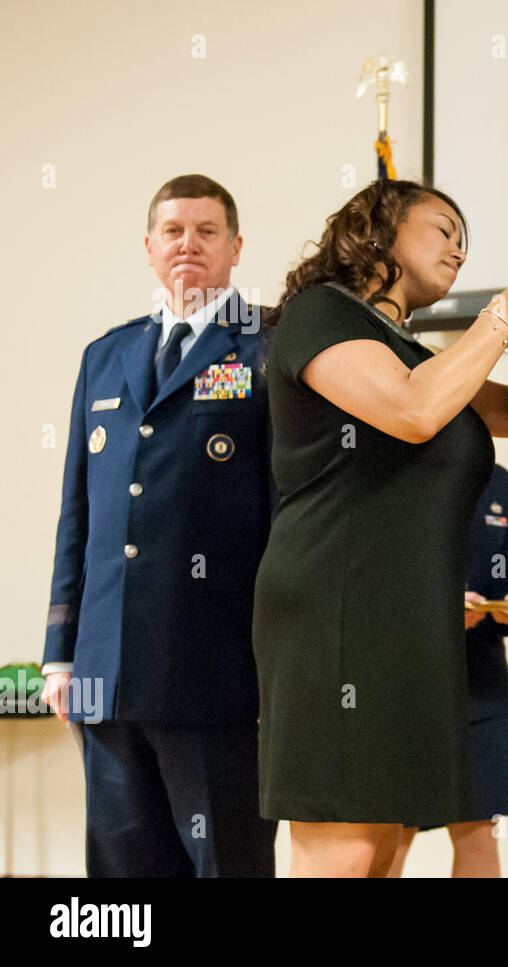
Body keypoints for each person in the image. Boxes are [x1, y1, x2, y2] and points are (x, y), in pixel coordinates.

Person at [253, 178, 508, 877]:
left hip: (406, 626)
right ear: (378, 230)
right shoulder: (320, 314)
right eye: (444, 230)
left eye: (467, 241)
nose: (460, 250)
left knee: (382, 844)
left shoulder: (411, 350)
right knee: (342, 847)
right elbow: (413, 411)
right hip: (337, 612)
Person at [40, 174, 277, 876]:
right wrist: (60, 651)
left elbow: (283, 508)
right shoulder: (105, 355)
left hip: (218, 669)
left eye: (207, 231)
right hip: (105, 671)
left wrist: (280, 664)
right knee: (122, 873)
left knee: (224, 860)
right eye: (173, 231)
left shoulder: (267, 344)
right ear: (149, 248)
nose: (188, 245)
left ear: (235, 247)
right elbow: (78, 513)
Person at [388, 464, 508, 878]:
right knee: (389, 837)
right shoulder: (386, 467)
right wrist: (430, 610)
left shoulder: (496, 479)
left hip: (480, 682)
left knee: (482, 831)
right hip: (397, 685)